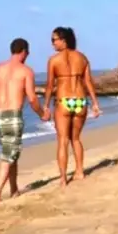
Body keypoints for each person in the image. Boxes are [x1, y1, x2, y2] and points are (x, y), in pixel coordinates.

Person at [0, 37, 45, 204]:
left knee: (11, 154)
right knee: (8, 157)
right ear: (24, 51)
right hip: (12, 116)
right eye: (28, 52)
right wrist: (42, 114)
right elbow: (32, 98)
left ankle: (13, 189)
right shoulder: (26, 71)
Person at [42, 26, 101, 188]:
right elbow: (88, 82)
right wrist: (95, 104)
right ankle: (80, 171)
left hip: (63, 101)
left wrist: (46, 106)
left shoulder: (54, 60)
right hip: (80, 101)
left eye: (54, 40)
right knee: (75, 138)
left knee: (63, 140)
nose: (52, 43)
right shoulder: (82, 58)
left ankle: (62, 179)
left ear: (63, 40)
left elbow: (49, 85)